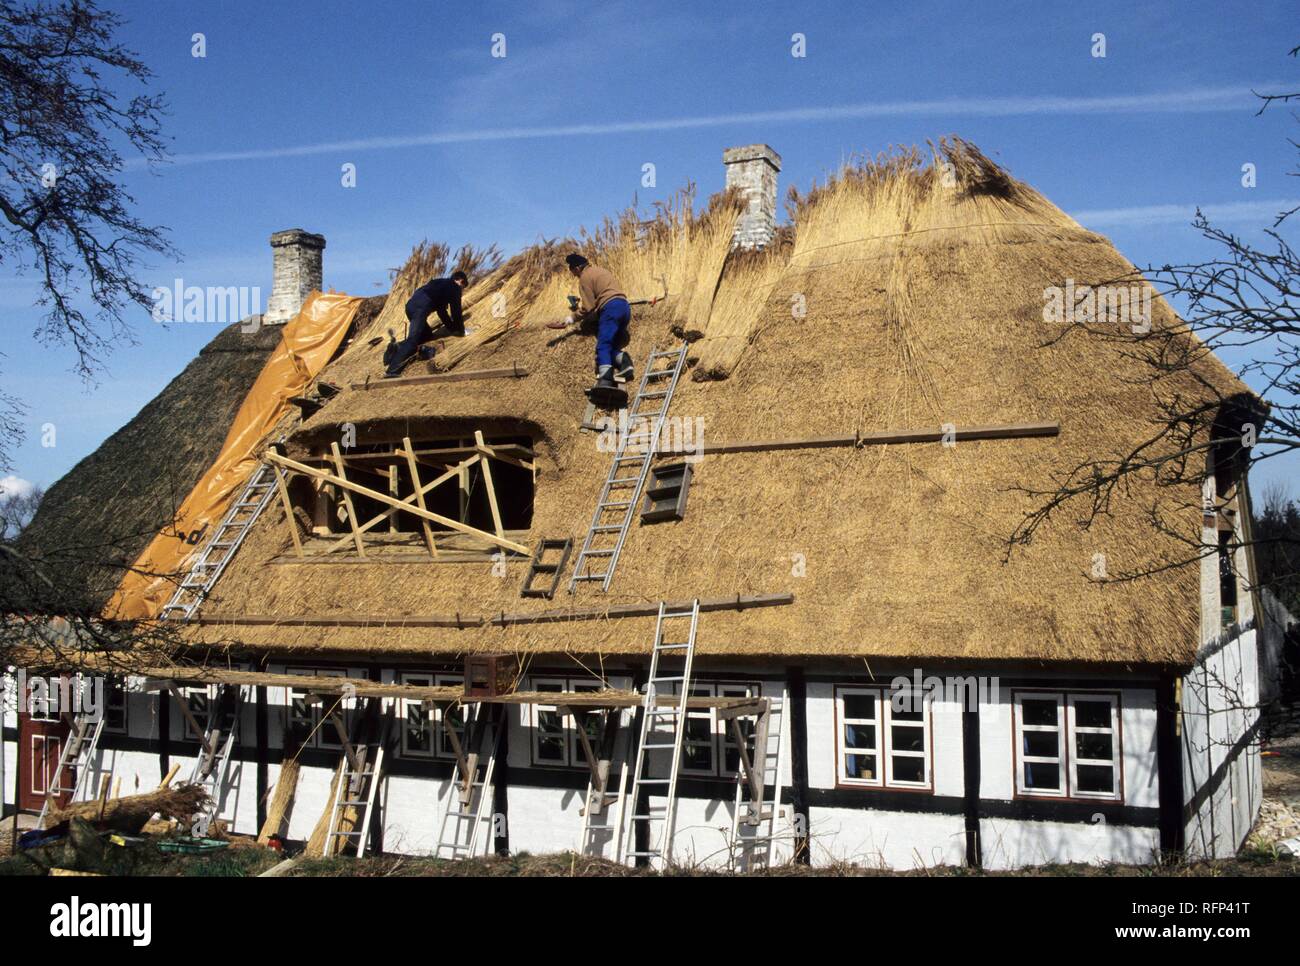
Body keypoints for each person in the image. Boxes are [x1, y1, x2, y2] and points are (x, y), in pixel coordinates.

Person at [555, 253, 634, 393]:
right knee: (610, 345)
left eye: (573, 272)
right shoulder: (601, 270)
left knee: (603, 345)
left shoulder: (585, 277)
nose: (574, 275)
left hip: (610, 309)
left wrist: (572, 318)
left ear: (577, 268)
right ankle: (624, 363)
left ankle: (605, 380)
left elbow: (588, 307)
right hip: (624, 308)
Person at [383, 270, 469, 377]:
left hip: (410, 306)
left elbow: (442, 312)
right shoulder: (454, 287)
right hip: (420, 308)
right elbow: (456, 311)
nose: (462, 289)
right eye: (463, 285)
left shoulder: (440, 284)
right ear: (459, 280)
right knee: (412, 342)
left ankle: (396, 347)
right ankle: (392, 371)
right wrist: (461, 330)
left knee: (426, 335)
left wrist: (452, 329)